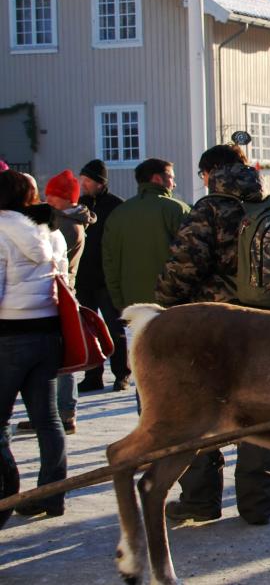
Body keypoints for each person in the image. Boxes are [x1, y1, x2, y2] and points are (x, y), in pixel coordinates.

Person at [156, 144, 270, 525]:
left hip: (218, 328)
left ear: (211, 172)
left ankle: (200, 500)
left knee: (204, 409)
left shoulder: (209, 209)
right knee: (259, 413)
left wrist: (164, 304)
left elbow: (185, 267)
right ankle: (257, 502)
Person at [0, 170, 69, 518]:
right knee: (48, 419)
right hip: (49, 332)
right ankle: (52, 494)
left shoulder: (0, 229)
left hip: (9, 334)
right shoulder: (49, 229)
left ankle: (4, 494)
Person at [40, 171, 95, 435]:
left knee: (63, 361)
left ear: (62, 198)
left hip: (62, 294)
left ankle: (64, 412)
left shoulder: (64, 225)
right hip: (64, 291)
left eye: (50, 194)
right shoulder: (64, 219)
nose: (45, 198)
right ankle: (58, 411)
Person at [102, 158, 190, 317]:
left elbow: (110, 262)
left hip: (132, 307)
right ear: (157, 178)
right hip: (172, 305)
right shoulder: (177, 210)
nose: (174, 183)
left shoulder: (118, 214)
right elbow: (190, 257)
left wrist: (119, 302)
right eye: (171, 177)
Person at [75, 159, 130, 393]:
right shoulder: (79, 206)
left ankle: (121, 374)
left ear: (100, 183)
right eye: (82, 180)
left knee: (114, 328)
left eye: (87, 180)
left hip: (106, 278)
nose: (83, 184)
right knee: (88, 330)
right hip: (83, 278)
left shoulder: (116, 206)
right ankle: (93, 375)